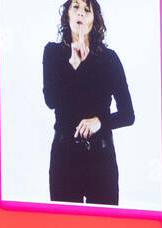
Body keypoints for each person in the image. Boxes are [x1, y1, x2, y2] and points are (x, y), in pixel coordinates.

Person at [43, 0, 134, 205]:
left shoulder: (109, 59)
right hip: (64, 155)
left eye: (87, 10)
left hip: (101, 158)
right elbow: (51, 100)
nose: (81, 14)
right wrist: (73, 63)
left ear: (95, 19)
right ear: (67, 14)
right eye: (75, 7)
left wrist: (99, 121)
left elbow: (128, 114)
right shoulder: (53, 53)